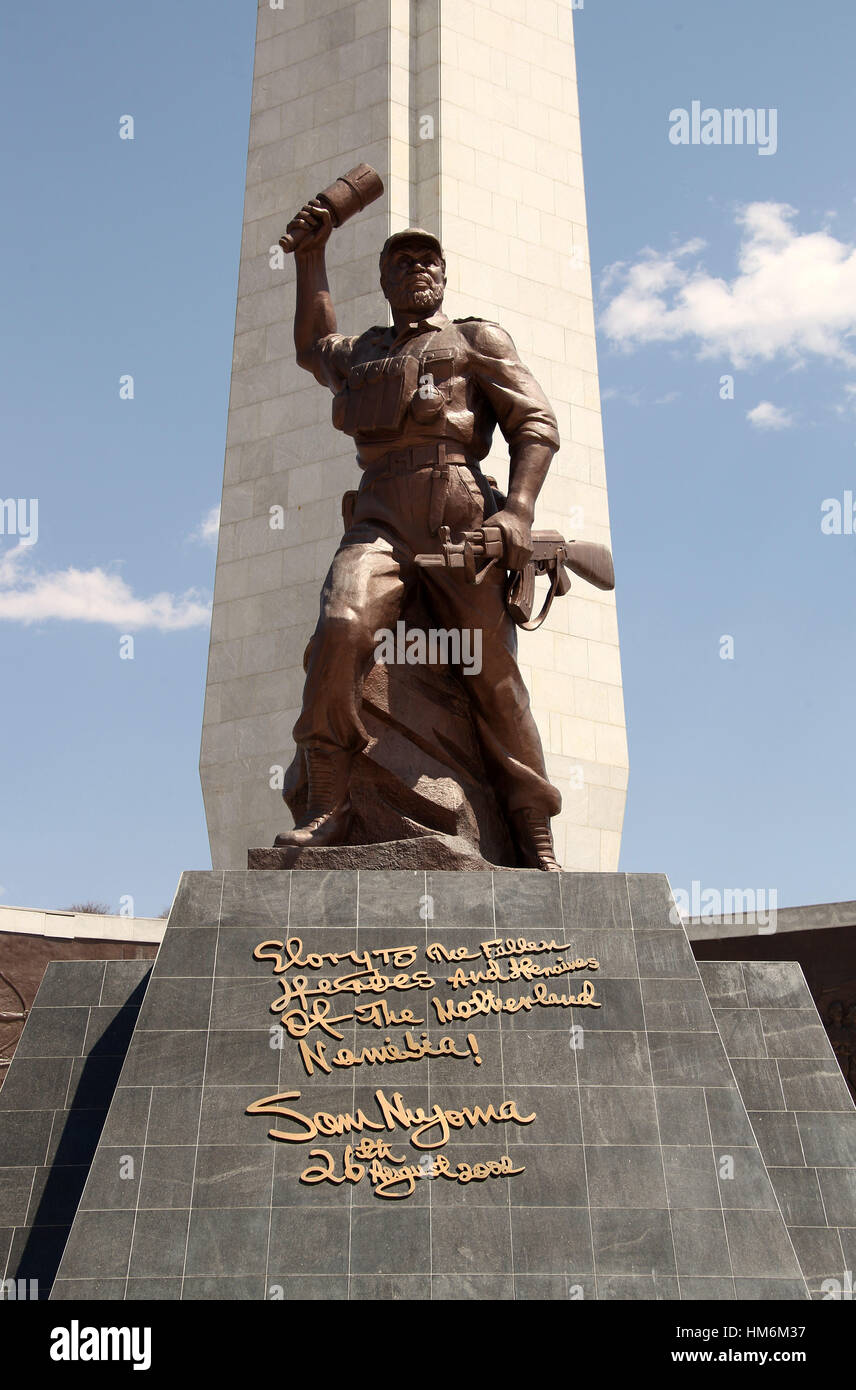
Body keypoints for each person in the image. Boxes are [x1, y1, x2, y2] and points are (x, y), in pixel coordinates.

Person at [274, 198, 563, 870]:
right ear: (384, 280)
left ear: (444, 274)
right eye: (401, 262)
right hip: (379, 514)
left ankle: (530, 823)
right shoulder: (366, 351)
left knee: (489, 671)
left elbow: (536, 423)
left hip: (459, 511)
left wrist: (516, 511)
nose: (416, 269)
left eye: (427, 260)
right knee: (341, 626)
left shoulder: (474, 341)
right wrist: (311, 256)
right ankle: (328, 800)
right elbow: (312, 348)